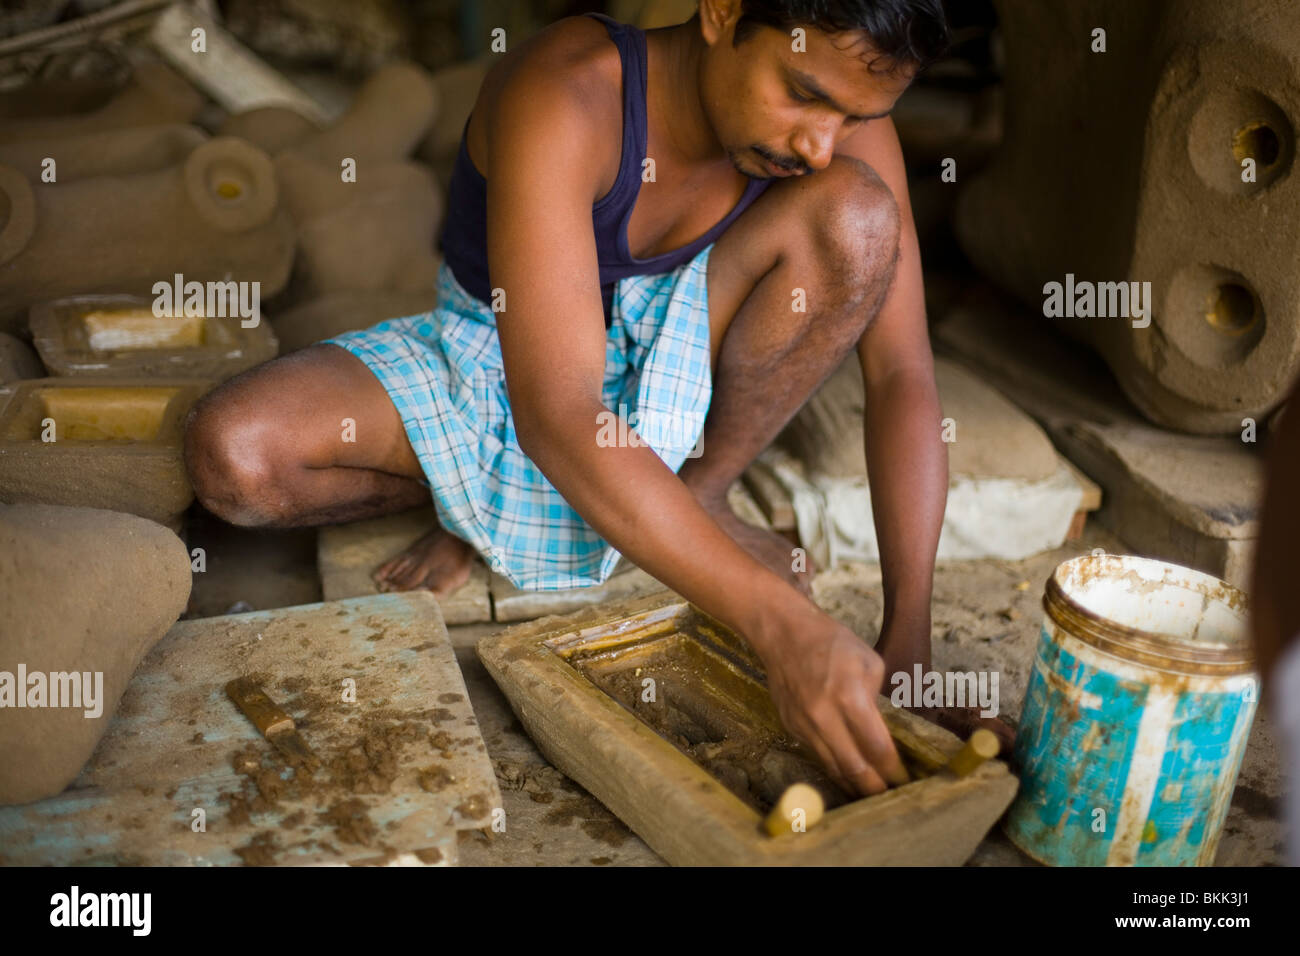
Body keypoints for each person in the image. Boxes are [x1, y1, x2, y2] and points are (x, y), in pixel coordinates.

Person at [184, 0, 978, 796]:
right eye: (802, 92)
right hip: (503, 357)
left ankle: (697, 494)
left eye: (857, 114)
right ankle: (479, 501)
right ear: (722, 11)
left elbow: (904, 374)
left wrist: (908, 650)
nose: (821, 143)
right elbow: (560, 415)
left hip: (682, 354)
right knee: (238, 455)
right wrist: (779, 625)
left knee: (859, 217)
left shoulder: (842, 116)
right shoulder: (564, 91)